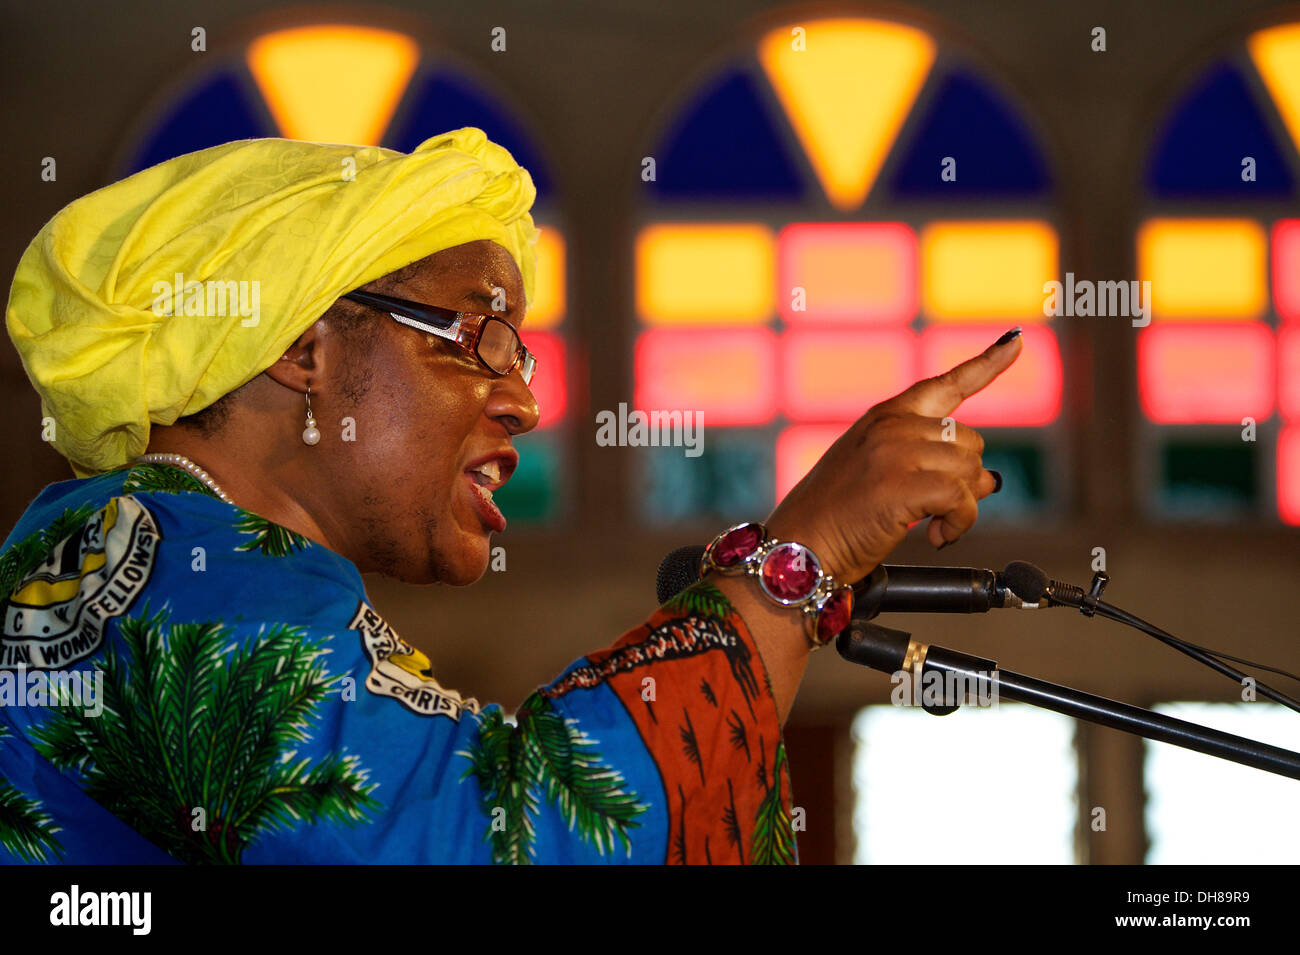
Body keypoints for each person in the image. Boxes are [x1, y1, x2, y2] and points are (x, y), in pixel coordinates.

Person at [0, 127, 1020, 864]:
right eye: (477, 336)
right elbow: (512, 837)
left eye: (521, 351)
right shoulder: (165, 566)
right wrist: (792, 560)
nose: (525, 399)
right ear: (302, 351)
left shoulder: (156, 555)